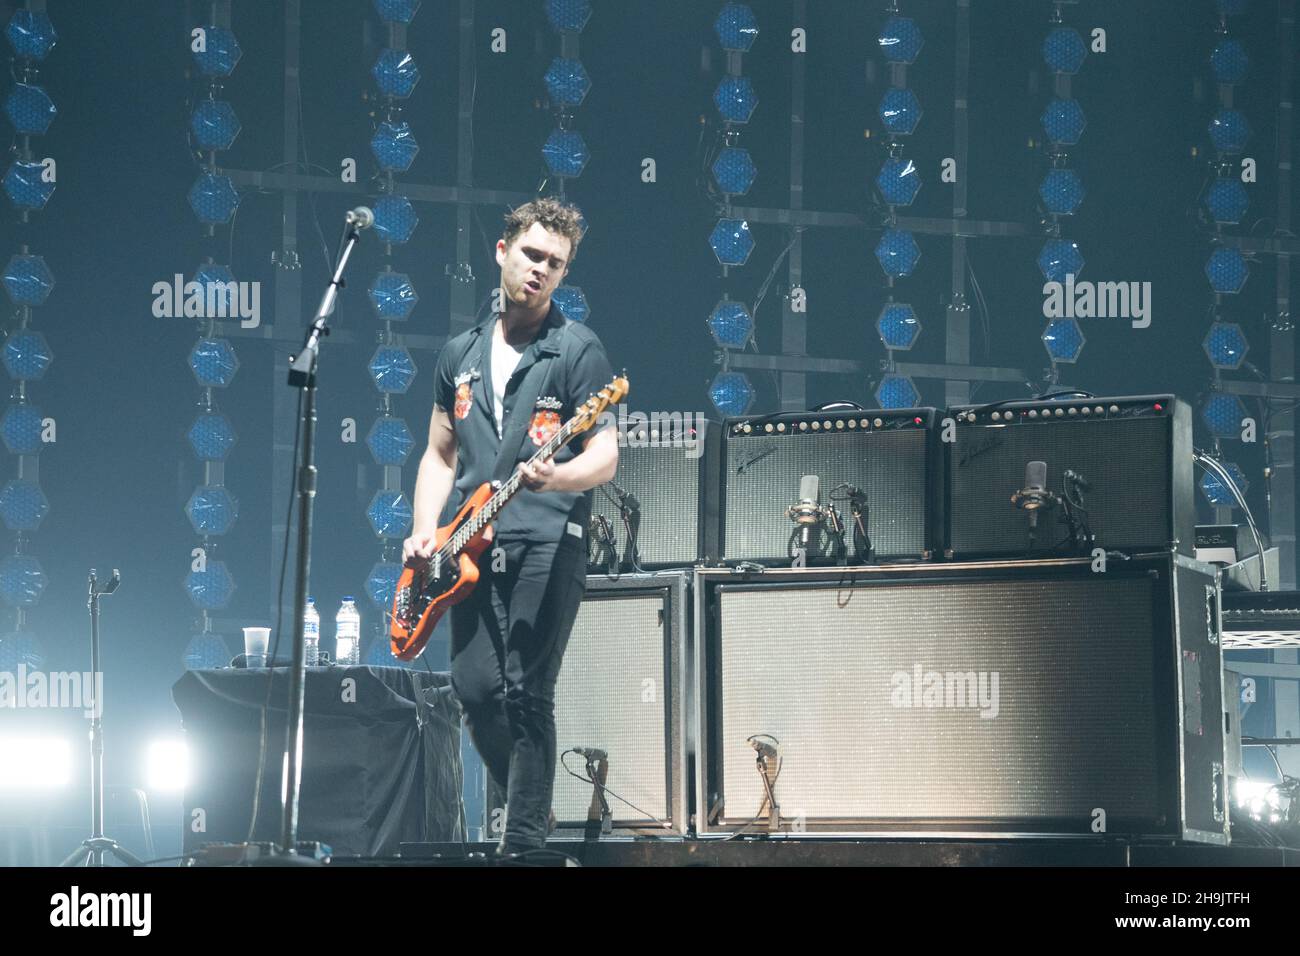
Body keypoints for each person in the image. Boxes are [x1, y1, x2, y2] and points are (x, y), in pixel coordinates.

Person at [402, 197, 618, 856]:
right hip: (468, 544)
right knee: (473, 691)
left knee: (527, 691)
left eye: (555, 263)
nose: (540, 269)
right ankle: (533, 806)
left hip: (549, 538)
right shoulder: (459, 354)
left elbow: (605, 456)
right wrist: (425, 527)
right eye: (531, 254)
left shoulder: (576, 349)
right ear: (502, 252)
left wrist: (558, 477)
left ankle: (523, 846)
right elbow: (440, 455)